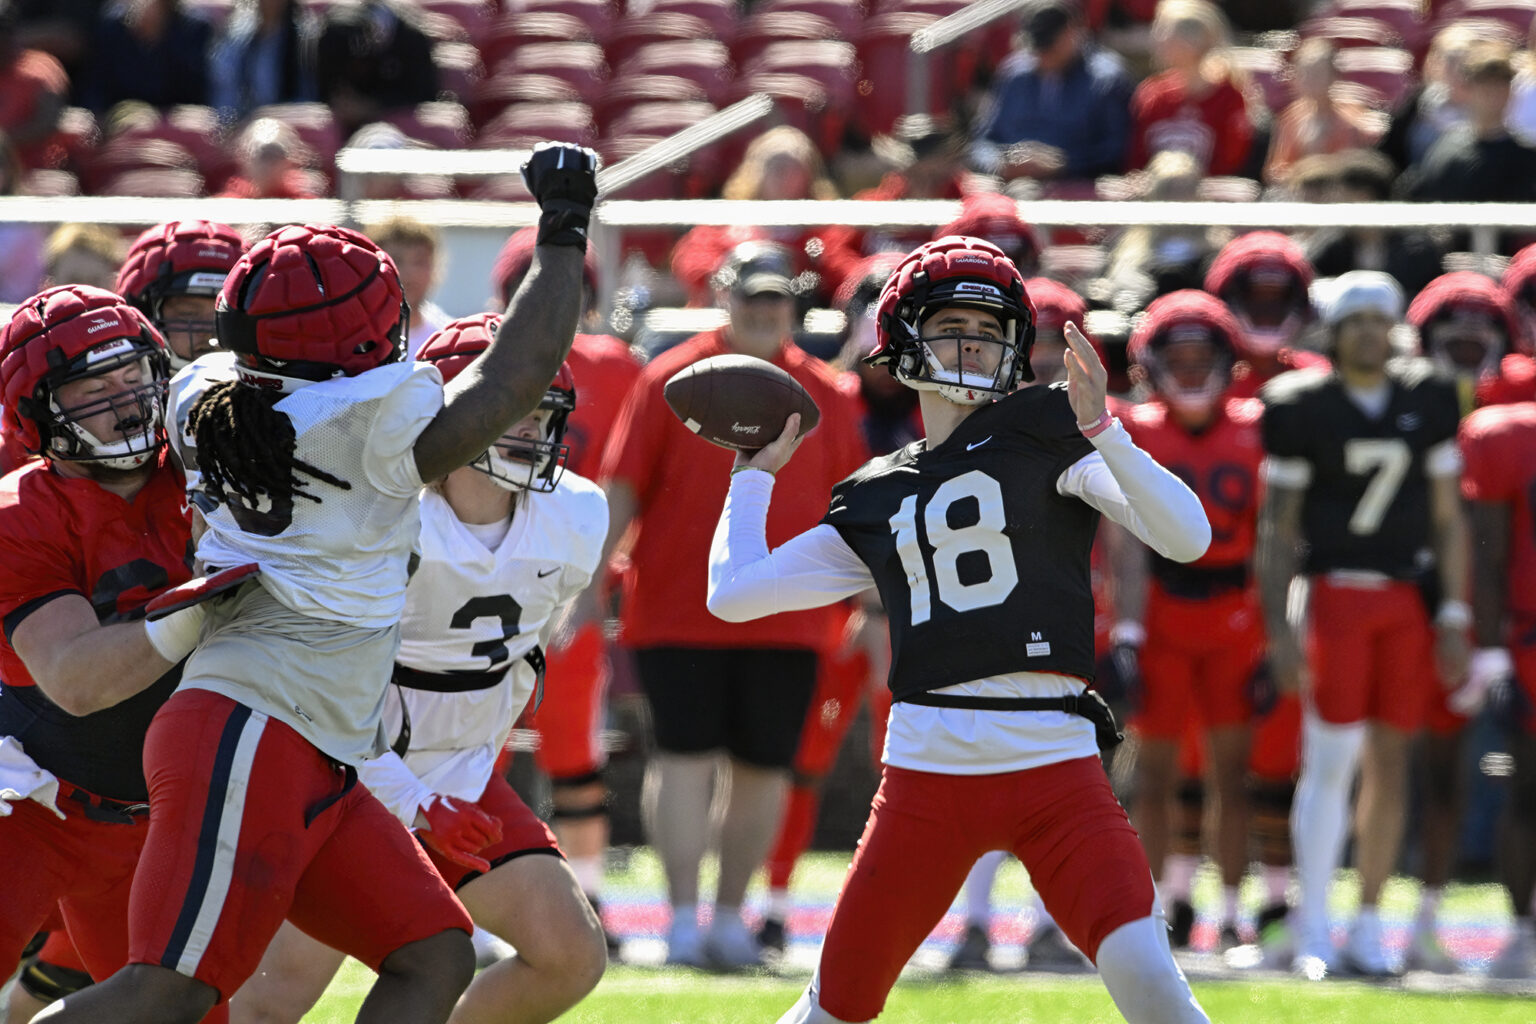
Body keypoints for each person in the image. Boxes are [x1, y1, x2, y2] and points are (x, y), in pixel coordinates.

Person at [34, 140, 598, 1024]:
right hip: (252, 724)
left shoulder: (209, 394)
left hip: (310, 733)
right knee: (169, 993)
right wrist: (564, 233)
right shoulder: (368, 434)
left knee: (433, 955)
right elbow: (514, 374)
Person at [707, 235, 1213, 1024]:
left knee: (1153, 987)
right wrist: (751, 480)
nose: (973, 346)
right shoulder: (875, 493)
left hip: (1056, 768)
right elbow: (735, 595)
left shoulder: (1050, 432)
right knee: (833, 1009)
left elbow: (1188, 537)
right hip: (925, 778)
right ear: (903, 337)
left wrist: (1107, 430)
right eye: (951, 327)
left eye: (989, 331)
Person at [227, 312, 609, 1024]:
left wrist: (456, 777)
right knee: (270, 1001)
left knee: (568, 955)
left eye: (540, 412)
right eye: (510, 410)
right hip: (342, 774)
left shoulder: (577, 514)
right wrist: (411, 799)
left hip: (458, 777)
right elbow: (323, 696)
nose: (529, 430)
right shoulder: (376, 521)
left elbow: (520, 664)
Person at [597, 239, 868, 969]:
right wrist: (590, 588)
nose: (762, 310)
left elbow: (855, 504)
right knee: (682, 760)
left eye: (776, 297)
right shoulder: (667, 378)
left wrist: (869, 595)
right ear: (723, 295)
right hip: (678, 608)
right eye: (750, 296)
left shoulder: (829, 394)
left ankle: (730, 918)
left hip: (794, 616)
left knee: (764, 769)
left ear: (794, 304)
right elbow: (622, 488)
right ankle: (682, 916)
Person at [0, 285, 214, 1012]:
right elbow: (76, 680)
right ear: (38, 410)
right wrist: (201, 608)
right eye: (93, 386)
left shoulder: (203, 474)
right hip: (31, 798)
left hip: (156, 813)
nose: (125, 401)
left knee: (186, 1011)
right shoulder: (22, 513)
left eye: (133, 377)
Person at [1256, 270, 1469, 979]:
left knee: (1391, 764)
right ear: (1335, 332)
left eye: (1380, 321)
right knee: (1330, 762)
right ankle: (1314, 921)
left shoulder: (1430, 399)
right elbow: (1278, 531)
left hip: (1405, 598)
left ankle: (1370, 920)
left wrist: (1454, 612)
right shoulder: (1300, 406)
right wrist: (1282, 630)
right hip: (1336, 596)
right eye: (1357, 322)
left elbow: (1448, 518)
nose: (1370, 334)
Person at [491, 224, 643, 949]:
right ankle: (475, 897)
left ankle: (586, 900)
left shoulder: (613, 368)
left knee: (572, 754)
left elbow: (628, 481)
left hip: (569, 583)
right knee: (473, 753)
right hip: (489, 571)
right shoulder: (482, 356)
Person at [1111, 290, 1264, 952]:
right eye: (1182, 357)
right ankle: (1156, 903)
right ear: (1151, 362)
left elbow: (1274, 537)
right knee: (1156, 774)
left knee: (1234, 773)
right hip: (1165, 613)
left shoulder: (1258, 425)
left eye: (1207, 357)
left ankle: (1230, 906)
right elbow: (1124, 541)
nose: (1196, 370)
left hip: (1234, 612)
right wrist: (1128, 631)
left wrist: (1274, 628)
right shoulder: (1136, 428)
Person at [1458, 396, 1536, 979]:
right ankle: (1523, 924)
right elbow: (1488, 554)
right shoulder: (1508, 435)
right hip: (1530, 632)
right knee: (1526, 785)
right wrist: (1492, 653)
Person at [668, 126, 842, 308]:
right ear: (755, 170)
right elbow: (692, 259)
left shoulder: (823, 227)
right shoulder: (727, 221)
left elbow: (838, 266)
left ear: (809, 175)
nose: (784, 175)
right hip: (728, 316)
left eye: (794, 167)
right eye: (776, 166)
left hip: (797, 320)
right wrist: (730, 279)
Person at [969, 0, 1134, 185]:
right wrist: (999, 164)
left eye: (1049, 46)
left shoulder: (1106, 79)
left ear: (1071, 32)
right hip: (1009, 187)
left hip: (1077, 191)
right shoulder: (1013, 75)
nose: (1042, 55)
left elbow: (1115, 152)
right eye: (1036, 48)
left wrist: (1064, 165)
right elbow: (981, 142)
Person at [1128, 0, 1256, 177]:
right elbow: (1137, 158)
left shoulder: (1228, 96)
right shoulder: (1152, 94)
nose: (1156, 39)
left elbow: (1230, 162)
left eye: (1163, 31)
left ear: (1192, 42)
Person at [1202, 231, 1328, 400]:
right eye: (1253, 299)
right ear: (1223, 301)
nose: (1266, 312)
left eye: (1279, 299)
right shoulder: (1202, 385)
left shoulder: (1320, 376)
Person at [114, 220, 247, 372]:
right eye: (188, 313)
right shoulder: (122, 389)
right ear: (146, 315)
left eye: (223, 315)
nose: (210, 333)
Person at [1262, 39, 1382, 188]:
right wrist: (1297, 177)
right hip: (1296, 191)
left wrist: (1314, 171)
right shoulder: (1290, 117)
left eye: (1317, 73)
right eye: (1304, 73)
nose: (1309, 80)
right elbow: (1275, 170)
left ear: (1334, 76)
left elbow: (1350, 169)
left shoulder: (1351, 119)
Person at [313, 0, 437, 136]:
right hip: (343, 127)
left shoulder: (411, 33)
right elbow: (324, 89)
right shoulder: (336, 28)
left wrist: (372, 107)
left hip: (401, 134)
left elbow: (424, 94)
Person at [83, 0, 211, 114]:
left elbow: (195, 89)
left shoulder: (194, 30)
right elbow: (97, 86)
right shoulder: (112, 29)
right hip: (122, 121)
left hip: (177, 120)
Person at [206, 0, 318, 124]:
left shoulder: (304, 40)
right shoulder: (238, 36)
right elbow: (225, 92)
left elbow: (308, 100)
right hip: (241, 125)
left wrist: (268, 116)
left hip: (288, 127)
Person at [365, 216, 449, 359]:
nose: (409, 273)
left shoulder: (448, 336)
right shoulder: (354, 341)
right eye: (396, 260)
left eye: (419, 261)